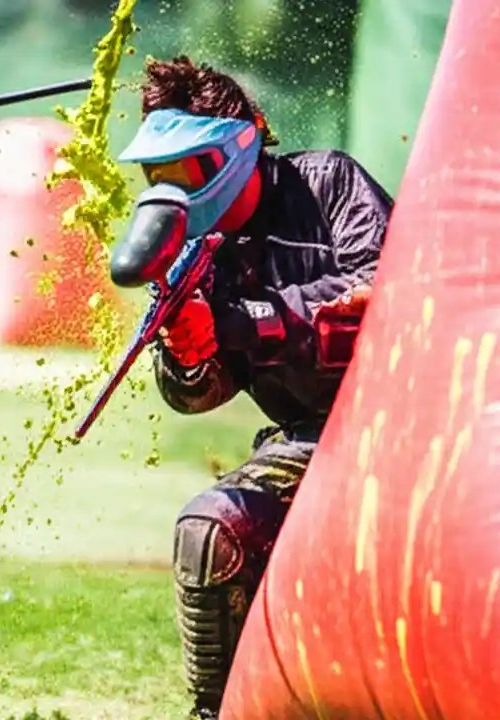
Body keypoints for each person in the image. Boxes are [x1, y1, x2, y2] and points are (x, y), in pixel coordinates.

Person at [116, 56, 393, 719]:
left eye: (182, 173)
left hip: (400, 425)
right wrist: (187, 349)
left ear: (237, 148)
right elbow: (199, 394)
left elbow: (381, 292)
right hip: (309, 444)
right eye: (158, 177)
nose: (170, 190)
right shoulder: (197, 256)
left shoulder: (327, 183)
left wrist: (242, 321)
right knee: (209, 533)